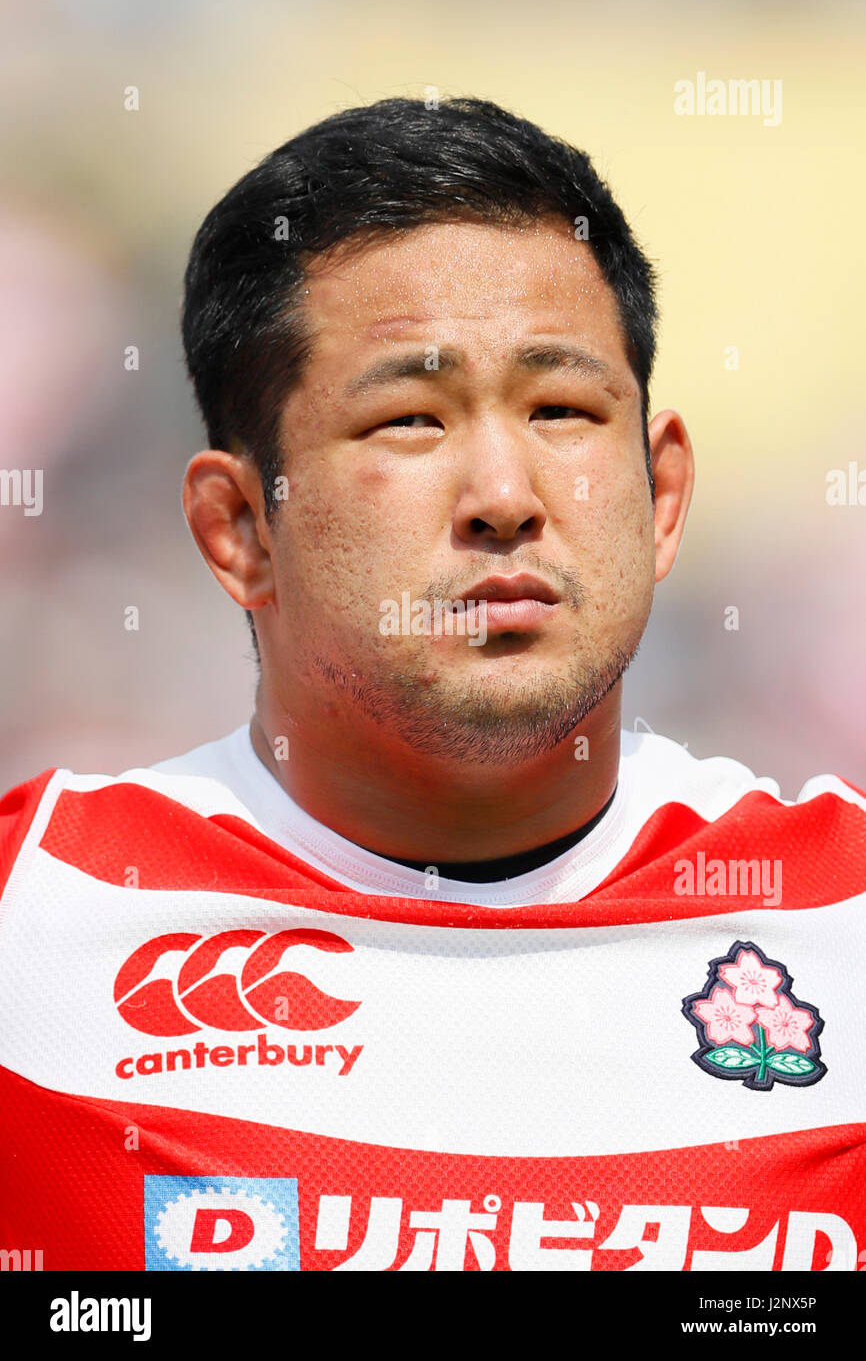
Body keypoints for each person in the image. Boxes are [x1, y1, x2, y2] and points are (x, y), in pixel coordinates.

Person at [1, 97, 863, 1274]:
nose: (504, 494)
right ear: (241, 527)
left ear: (660, 497)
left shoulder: (840, 916)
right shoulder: (35, 914)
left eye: (562, 409)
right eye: (409, 419)